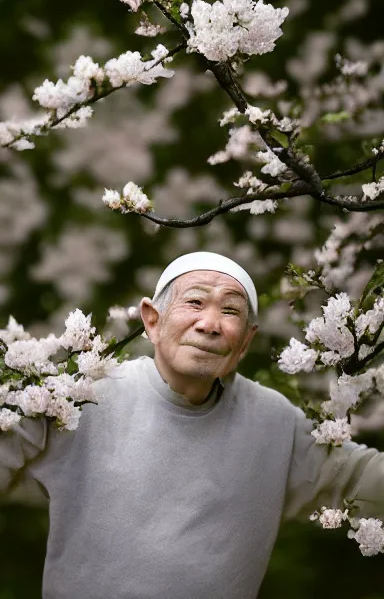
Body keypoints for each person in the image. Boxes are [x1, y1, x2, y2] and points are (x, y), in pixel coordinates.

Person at [1, 251, 384, 599]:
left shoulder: (273, 421)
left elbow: (360, 479)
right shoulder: (80, 397)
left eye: (230, 311)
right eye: (195, 302)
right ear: (152, 320)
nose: (210, 324)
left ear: (245, 341)